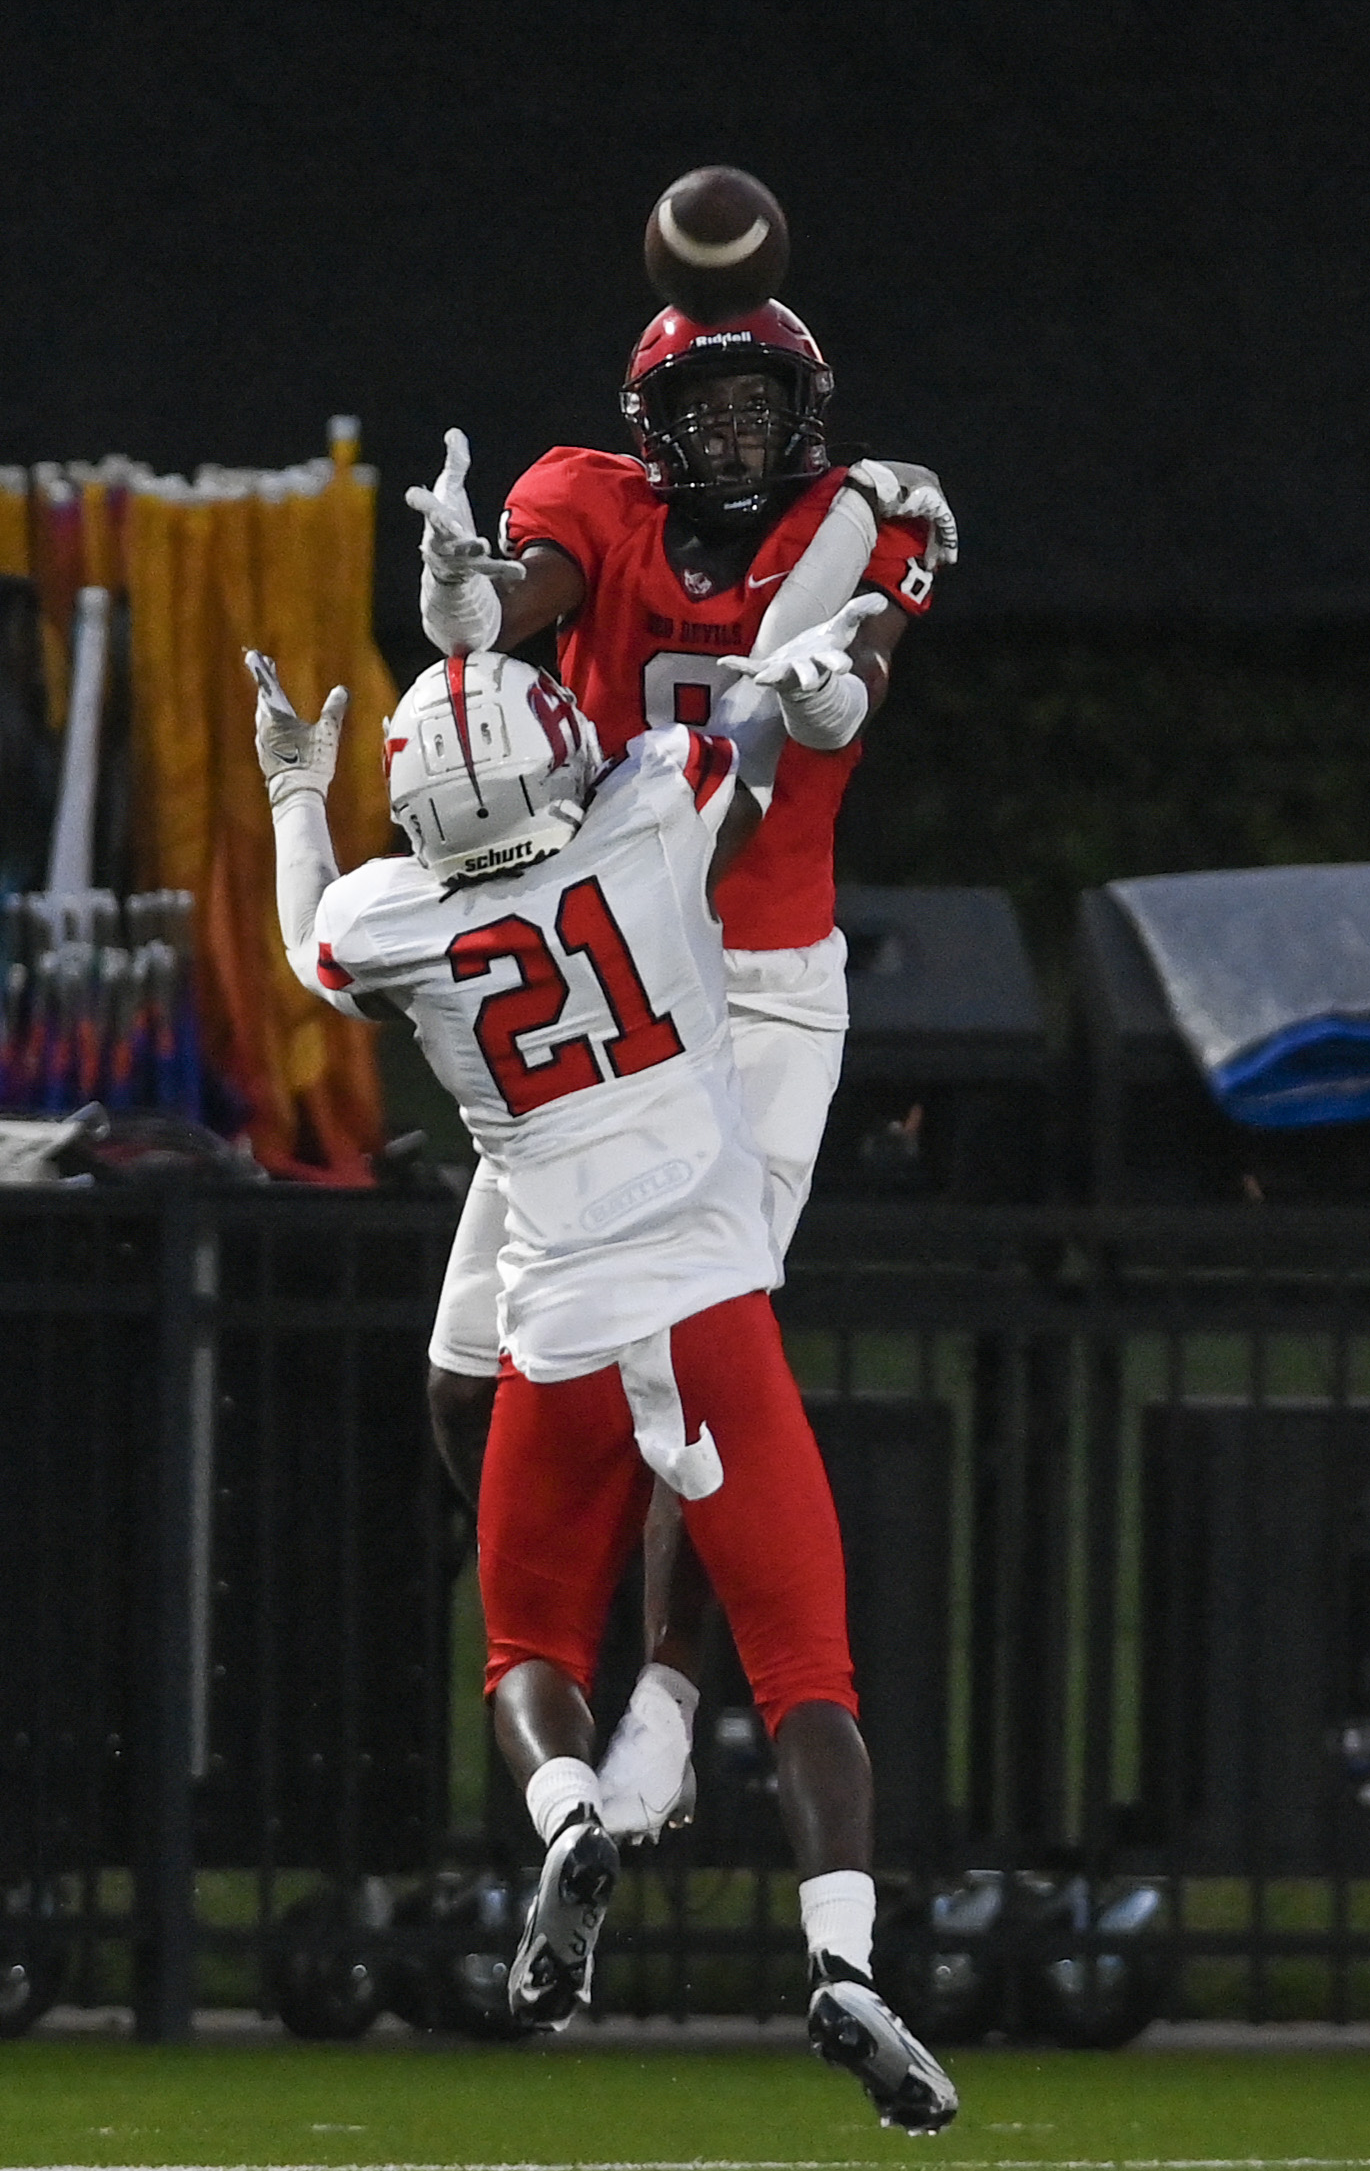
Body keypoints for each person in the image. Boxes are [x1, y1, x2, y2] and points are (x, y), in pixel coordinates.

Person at [248, 641, 959, 2134]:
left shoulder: (396, 924)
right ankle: (843, 1959)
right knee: (806, 1671)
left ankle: (569, 1817)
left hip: (559, 1324)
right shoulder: (644, 814)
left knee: (525, 1645)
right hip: (707, 1305)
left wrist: (294, 789)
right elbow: (751, 740)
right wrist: (826, 667)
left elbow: (308, 932)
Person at [403, 299, 956, 1839]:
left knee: (699, 1371)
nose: (729, 430)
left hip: (760, 989)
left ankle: (667, 1686)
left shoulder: (861, 521)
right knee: (464, 1377)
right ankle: (555, 1631)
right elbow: (516, 596)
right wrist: (466, 593)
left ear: (804, 408)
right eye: (700, 402)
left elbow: (859, 666)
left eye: (755, 400)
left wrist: (836, 685)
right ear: (647, 420)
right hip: (615, 971)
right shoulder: (590, 501)